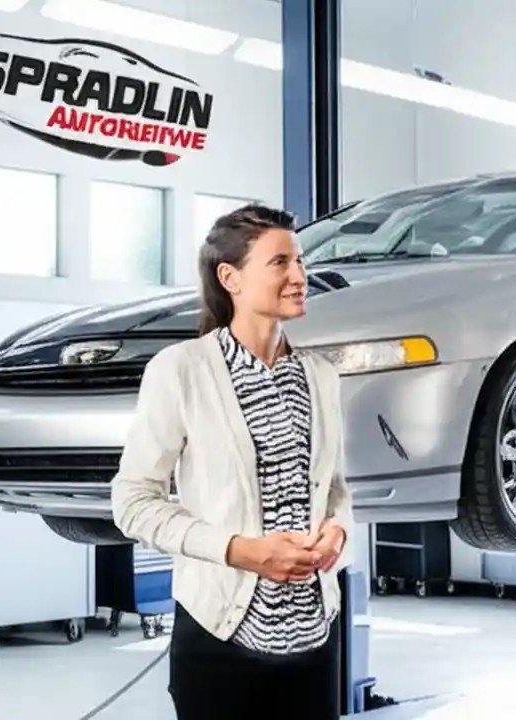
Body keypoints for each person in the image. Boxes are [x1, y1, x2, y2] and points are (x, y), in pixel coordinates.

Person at [110, 203, 354, 720]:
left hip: (315, 639)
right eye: (280, 262)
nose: (299, 276)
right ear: (230, 278)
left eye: (301, 262)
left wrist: (338, 531)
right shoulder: (182, 370)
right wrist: (239, 550)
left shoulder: (321, 375)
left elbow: (335, 490)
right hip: (219, 640)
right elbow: (132, 502)